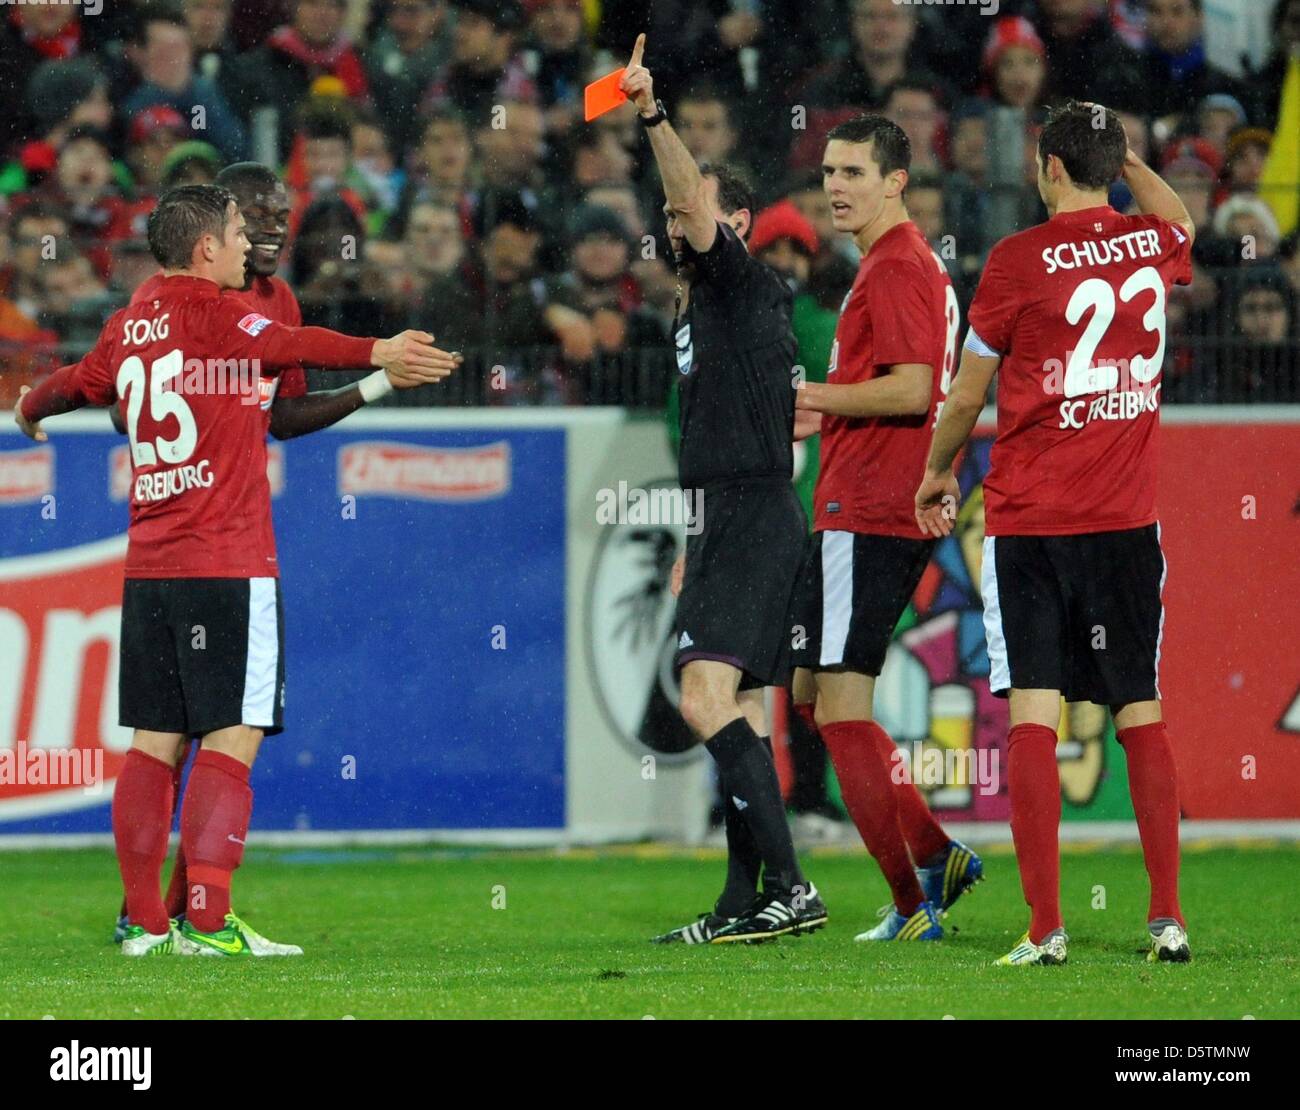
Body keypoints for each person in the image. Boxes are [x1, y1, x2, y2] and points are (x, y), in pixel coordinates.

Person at [15, 183, 460, 957]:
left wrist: (28, 408)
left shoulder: (129, 324)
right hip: (226, 560)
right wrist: (378, 353)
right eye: (234, 231)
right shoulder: (218, 312)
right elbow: (293, 344)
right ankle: (211, 923)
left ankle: (146, 926)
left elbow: (75, 384)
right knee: (234, 734)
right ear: (204, 250)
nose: (247, 242)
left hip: (151, 569)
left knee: (154, 742)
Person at [916, 102, 1195, 966]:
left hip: (1031, 523)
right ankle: (1168, 917)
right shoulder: (1151, 242)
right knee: (1138, 709)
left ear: (1045, 167)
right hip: (1126, 523)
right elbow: (1182, 217)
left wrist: (935, 471)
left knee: (1032, 712)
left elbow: (967, 394)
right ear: (1109, 169)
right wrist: (1126, 164)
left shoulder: (1015, 261)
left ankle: (1046, 928)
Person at [619, 35, 826, 945]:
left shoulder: (740, 283)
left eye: (695, 215)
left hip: (752, 508)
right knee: (739, 708)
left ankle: (792, 886)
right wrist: (694, 538)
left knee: (703, 699)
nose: (675, 228)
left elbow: (687, 200)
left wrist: (651, 113)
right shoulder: (702, 302)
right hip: (731, 513)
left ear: (733, 222)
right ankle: (745, 901)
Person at [788, 114, 981, 943]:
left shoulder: (898, 266)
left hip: (866, 509)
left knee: (836, 707)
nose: (837, 185)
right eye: (830, 170)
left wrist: (812, 396)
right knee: (809, 695)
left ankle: (912, 905)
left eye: (855, 172)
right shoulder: (901, 264)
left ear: (896, 180)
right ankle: (935, 854)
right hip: (865, 506)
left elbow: (909, 390)